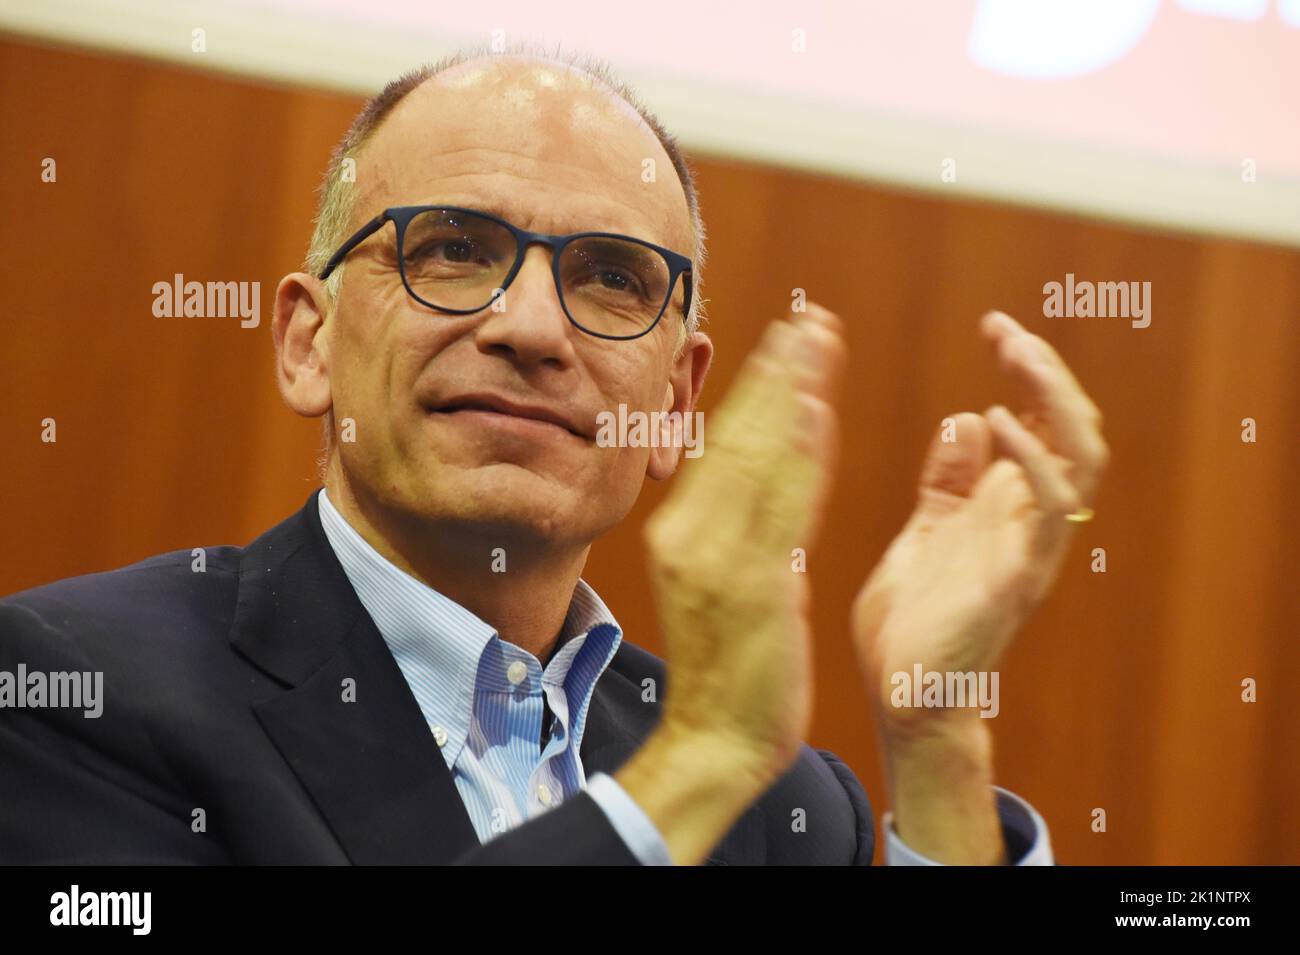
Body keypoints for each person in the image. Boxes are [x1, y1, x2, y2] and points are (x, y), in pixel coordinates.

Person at [0, 44, 1107, 865]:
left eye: (612, 278)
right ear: (308, 342)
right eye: (451, 249)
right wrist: (700, 763)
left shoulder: (784, 810)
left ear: (675, 405)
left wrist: (935, 733)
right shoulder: (73, 693)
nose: (532, 327)